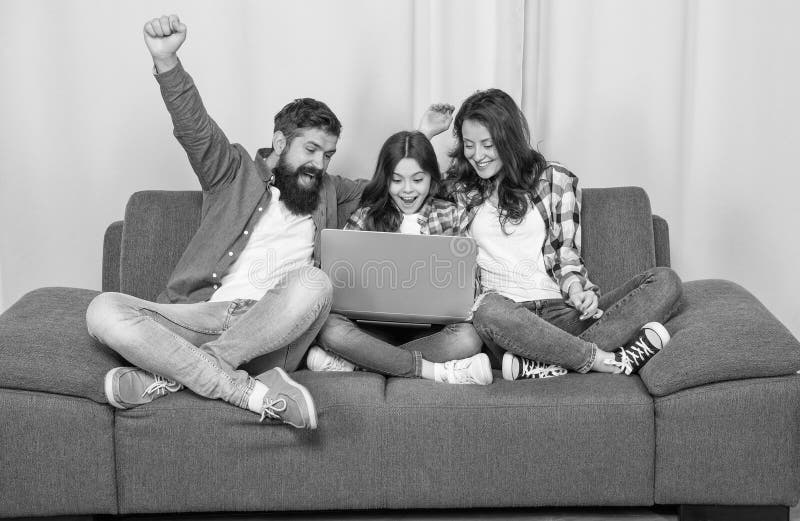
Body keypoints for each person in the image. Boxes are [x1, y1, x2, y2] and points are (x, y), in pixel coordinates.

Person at [86, 14, 376, 430]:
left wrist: (422, 140)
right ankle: (244, 390)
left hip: (274, 331)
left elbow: (392, 189)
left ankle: (175, 376)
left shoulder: (331, 190)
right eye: (311, 149)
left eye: (327, 155)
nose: (319, 163)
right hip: (200, 316)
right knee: (103, 310)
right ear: (280, 141)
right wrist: (167, 62)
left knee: (316, 283)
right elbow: (195, 129)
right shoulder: (232, 171)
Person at [439, 88, 682, 380]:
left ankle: (544, 364)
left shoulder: (554, 179)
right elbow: (406, 192)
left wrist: (579, 291)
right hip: (504, 322)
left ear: (508, 139)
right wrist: (425, 132)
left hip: (559, 314)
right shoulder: (459, 189)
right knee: (486, 308)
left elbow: (566, 252)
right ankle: (603, 359)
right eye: (469, 145)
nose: (477, 156)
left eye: (488, 144)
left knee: (666, 281)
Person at [308, 128, 492, 385]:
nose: (407, 190)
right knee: (330, 329)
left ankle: (362, 363)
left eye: (417, 180)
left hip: (432, 331)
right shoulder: (365, 216)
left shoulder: (452, 214)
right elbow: (339, 279)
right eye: (397, 180)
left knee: (469, 338)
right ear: (385, 180)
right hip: (372, 329)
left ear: (431, 179)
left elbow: (472, 285)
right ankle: (430, 369)